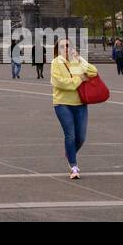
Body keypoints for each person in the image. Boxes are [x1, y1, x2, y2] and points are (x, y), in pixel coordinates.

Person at [51, 38, 98, 179]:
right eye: (62, 46)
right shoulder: (56, 63)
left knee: (81, 137)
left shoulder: (77, 62)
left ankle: (69, 152)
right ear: (58, 49)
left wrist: (80, 60)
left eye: (68, 46)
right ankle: (74, 166)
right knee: (70, 135)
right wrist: (78, 80)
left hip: (80, 103)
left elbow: (94, 71)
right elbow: (60, 83)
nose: (65, 48)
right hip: (62, 103)